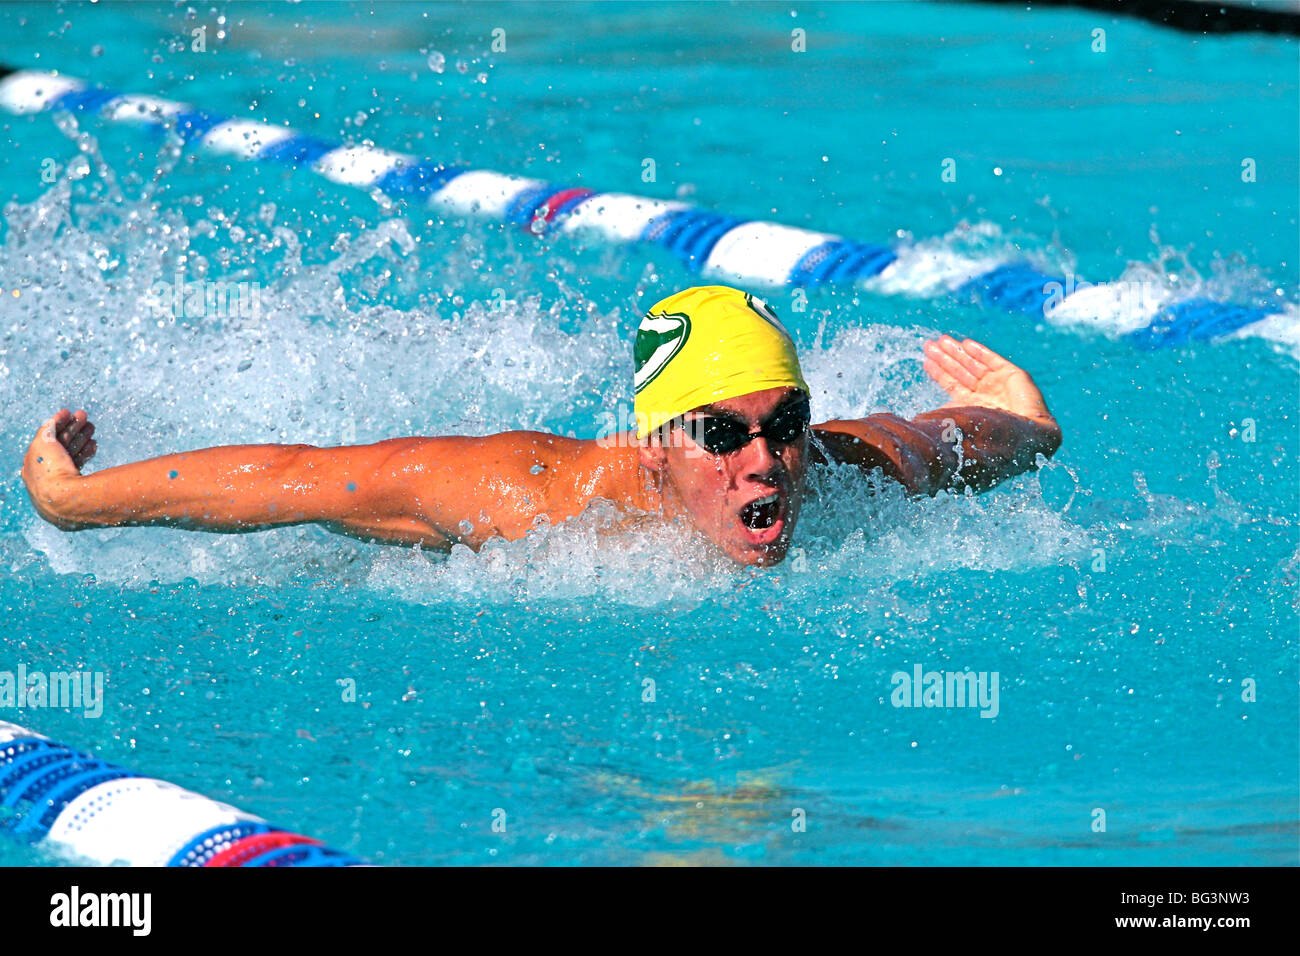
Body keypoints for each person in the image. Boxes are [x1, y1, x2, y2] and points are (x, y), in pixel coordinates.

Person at [21, 285, 1062, 567]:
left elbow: (945, 440)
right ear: (656, 440)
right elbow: (292, 477)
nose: (766, 462)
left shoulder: (828, 469)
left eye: (783, 421)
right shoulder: (532, 496)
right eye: (721, 433)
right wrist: (74, 501)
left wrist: (1028, 424)